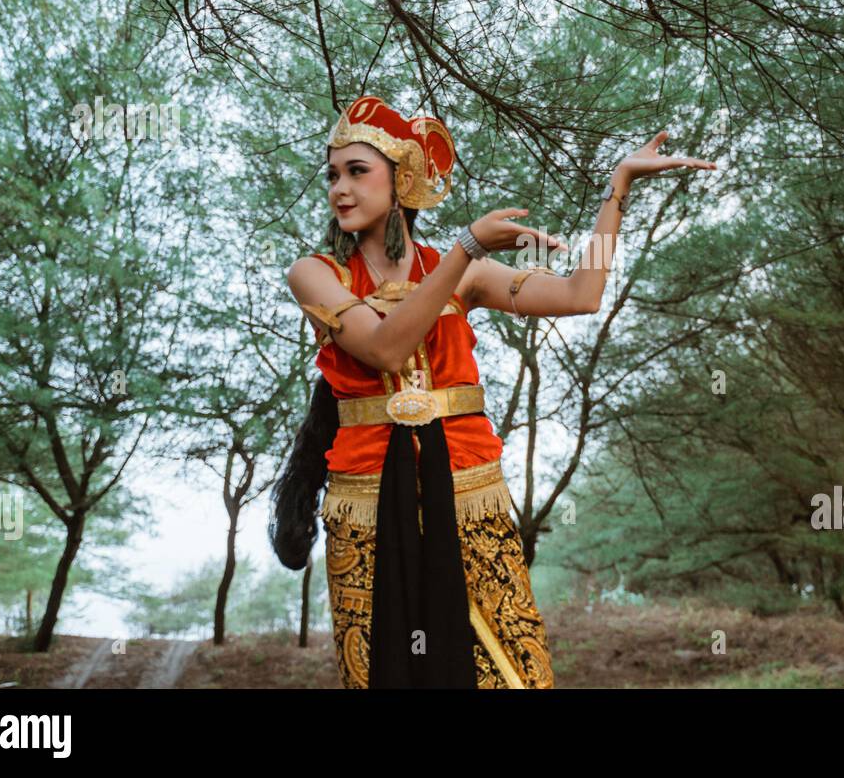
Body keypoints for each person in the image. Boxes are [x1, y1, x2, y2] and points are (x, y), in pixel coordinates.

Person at [270, 94, 716, 688]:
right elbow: (384, 349)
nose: (339, 189)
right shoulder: (315, 274)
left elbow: (581, 295)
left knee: (514, 674)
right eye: (332, 175)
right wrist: (466, 250)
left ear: (402, 180)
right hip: (368, 505)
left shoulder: (464, 273)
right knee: (385, 673)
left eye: (356, 172)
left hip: (469, 492)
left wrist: (619, 189)